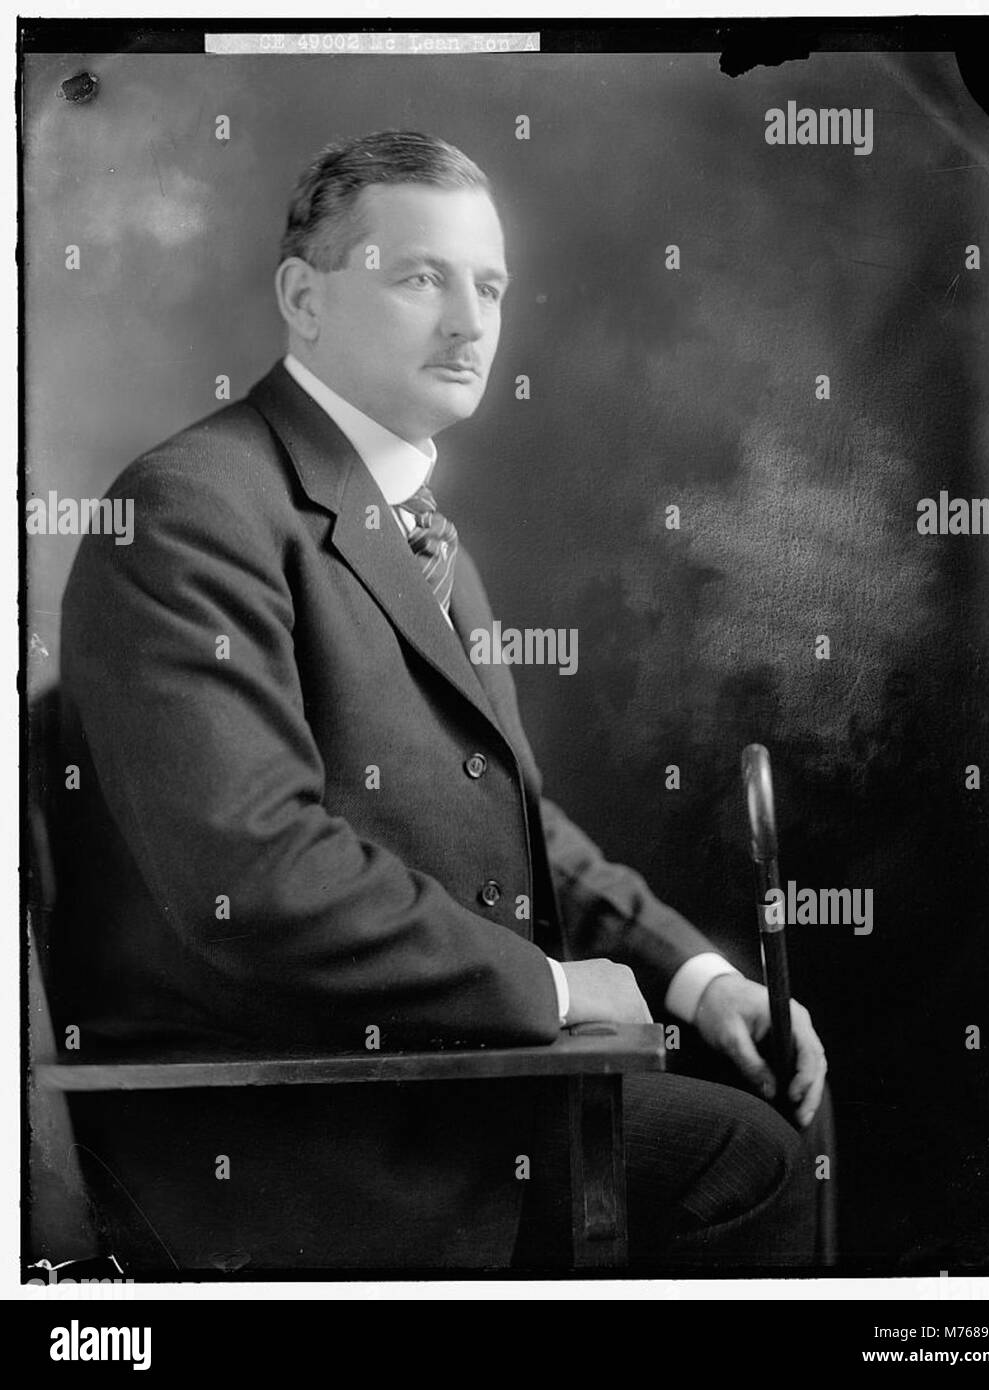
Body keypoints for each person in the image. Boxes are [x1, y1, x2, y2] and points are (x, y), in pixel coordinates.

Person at [55, 130, 832, 1273]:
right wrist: (555, 986)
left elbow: (510, 817)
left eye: (491, 286)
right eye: (420, 277)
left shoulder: (409, 518)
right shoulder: (192, 509)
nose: (471, 322)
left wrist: (691, 973)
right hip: (293, 1133)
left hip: (425, 1082)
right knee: (749, 1161)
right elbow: (252, 872)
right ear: (302, 299)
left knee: (774, 1113)